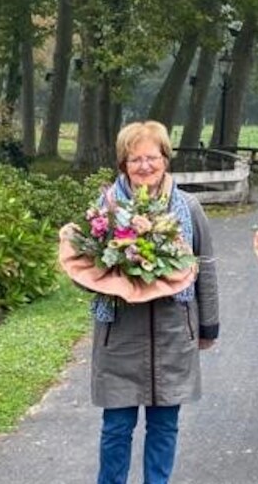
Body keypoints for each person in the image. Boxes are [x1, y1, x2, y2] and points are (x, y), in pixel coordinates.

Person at [90, 121, 220, 484]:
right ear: (123, 164)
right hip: (119, 334)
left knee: (164, 426)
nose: (144, 166)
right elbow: (87, 269)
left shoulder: (189, 208)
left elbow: (205, 268)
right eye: (135, 159)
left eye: (152, 157)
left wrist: (208, 325)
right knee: (116, 426)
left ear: (165, 159)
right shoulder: (104, 211)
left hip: (173, 334)